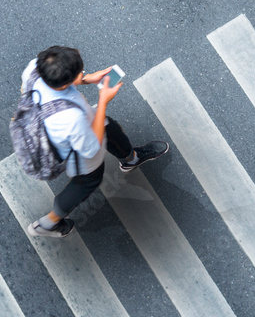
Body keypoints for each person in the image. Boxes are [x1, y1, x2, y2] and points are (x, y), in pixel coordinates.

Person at [22, 46, 169, 238]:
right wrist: (103, 101)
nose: (81, 74)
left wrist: (86, 79)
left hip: (55, 127)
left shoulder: (34, 68)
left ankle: (131, 159)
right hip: (75, 143)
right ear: (64, 84)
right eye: (78, 73)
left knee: (111, 129)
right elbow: (92, 145)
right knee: (87, 181)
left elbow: (48, 86)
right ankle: (48, 223)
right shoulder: (70, 118)